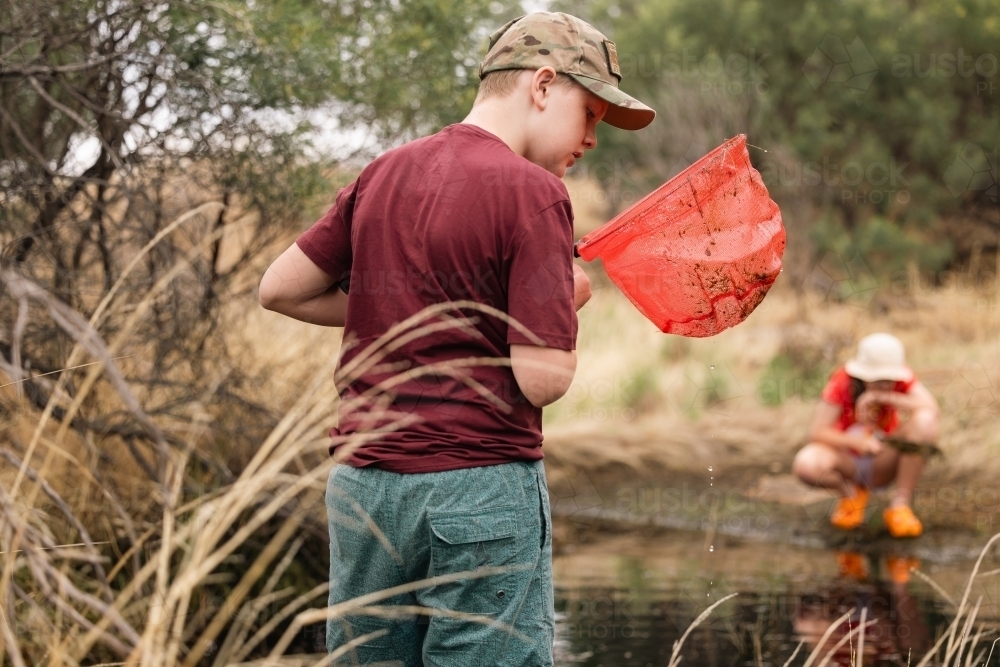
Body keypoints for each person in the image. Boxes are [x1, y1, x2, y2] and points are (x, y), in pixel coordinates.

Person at [258, 12, 654, 666]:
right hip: (479, 491)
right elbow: (542, 378)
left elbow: (281, 288)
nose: (592, 137)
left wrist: (413, 305)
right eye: (591, 113)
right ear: (544, 84)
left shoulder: (384, 171)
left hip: (364, 488)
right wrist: (563, 298)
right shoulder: (534, 192)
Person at [792, 333, 940, 538]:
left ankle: (900, 506)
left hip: (883, 458)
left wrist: (885, 396)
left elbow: (931, 407)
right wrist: (856, 442)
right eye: (878, 381)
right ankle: (852, 496)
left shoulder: (901, 379)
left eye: (889, 381)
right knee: (806, 462)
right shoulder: (843, 382)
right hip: (848, 460)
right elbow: (818, 432)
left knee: (925, 420)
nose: (886, 384)